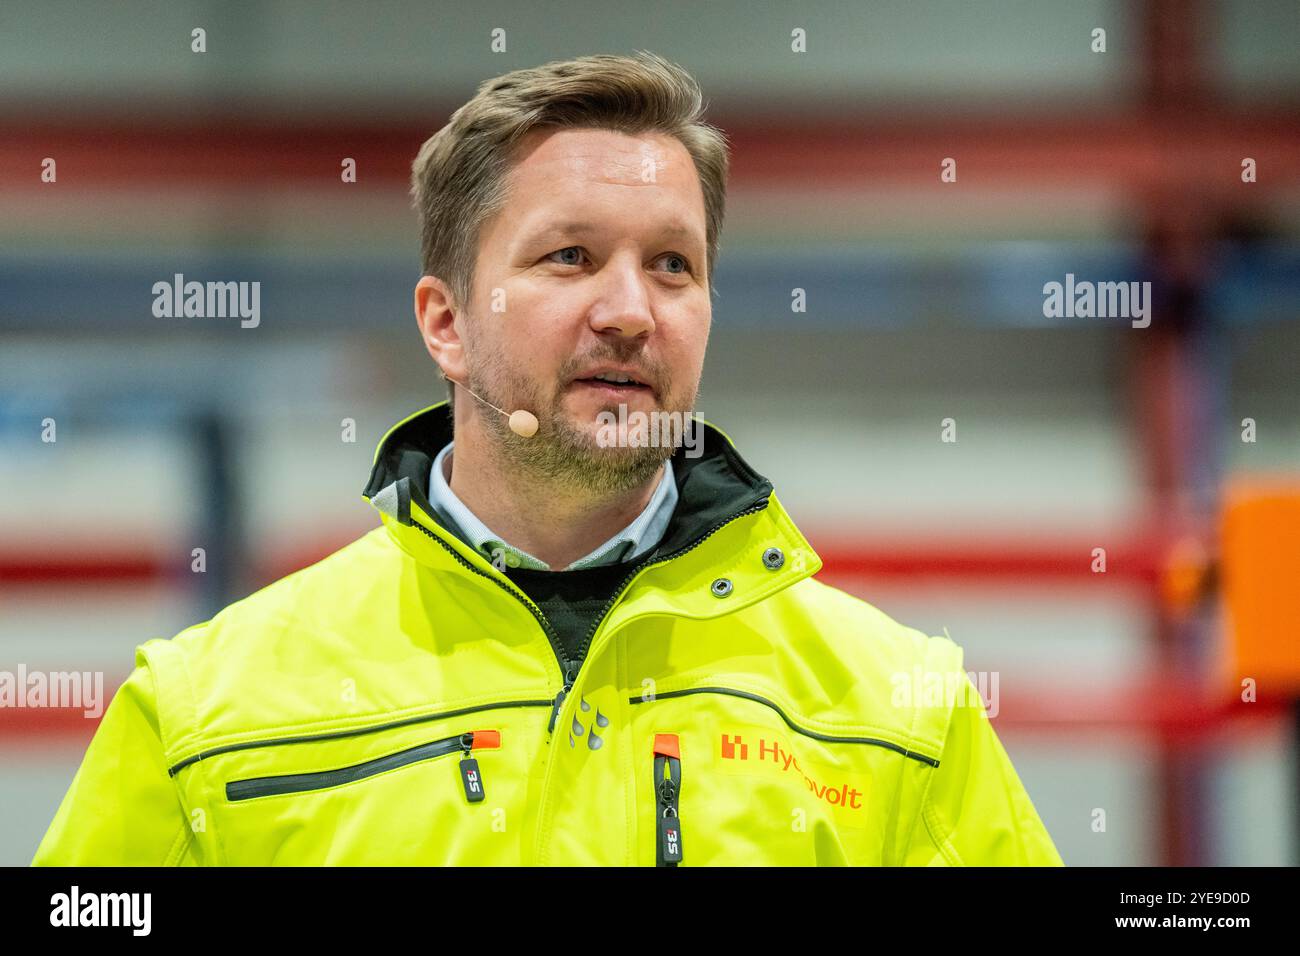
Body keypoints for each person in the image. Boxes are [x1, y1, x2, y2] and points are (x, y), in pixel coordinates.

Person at [33, 51, 1062, 866]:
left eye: (672, 264)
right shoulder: (206, 715)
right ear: (444, 322)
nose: (628, 311)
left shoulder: (897, 712)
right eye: (569, 256)